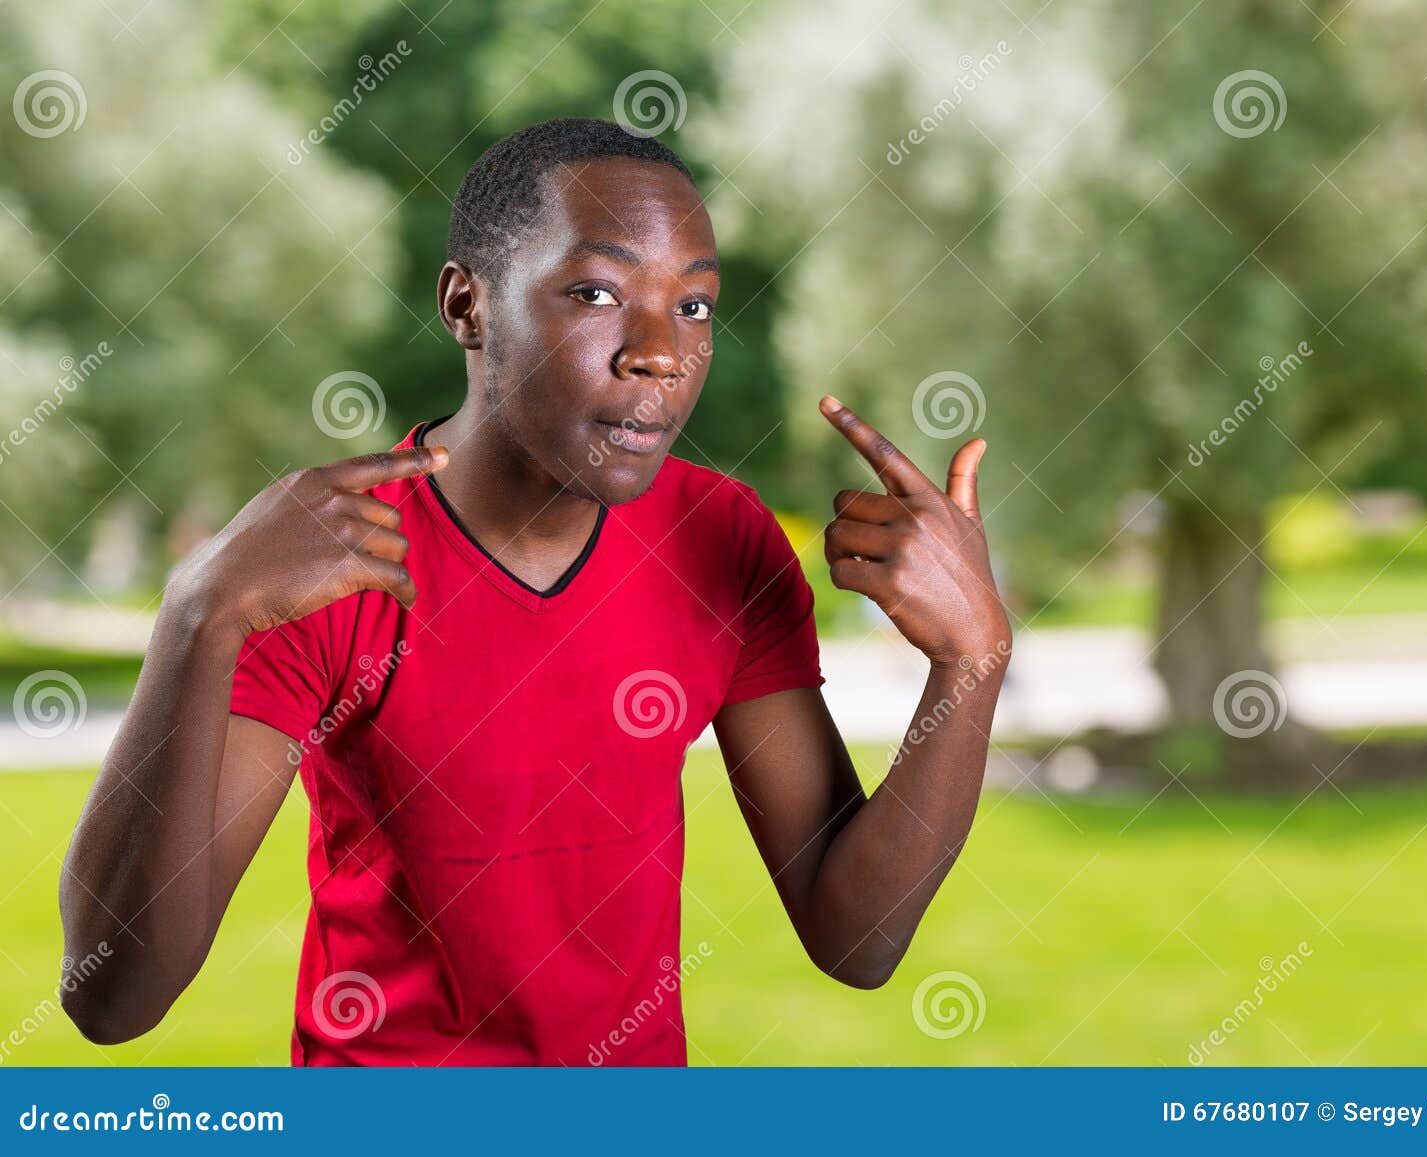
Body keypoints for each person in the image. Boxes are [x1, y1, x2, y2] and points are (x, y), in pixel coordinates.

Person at [59, 118, 1011, 1065]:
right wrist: (197, 610)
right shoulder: (330, 563)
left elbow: (857, 937)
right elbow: (113, 995)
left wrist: (973, 658)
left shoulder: (723, 535)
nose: (660, 352)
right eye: (596, 293)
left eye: (693, 305)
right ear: (467, 305)